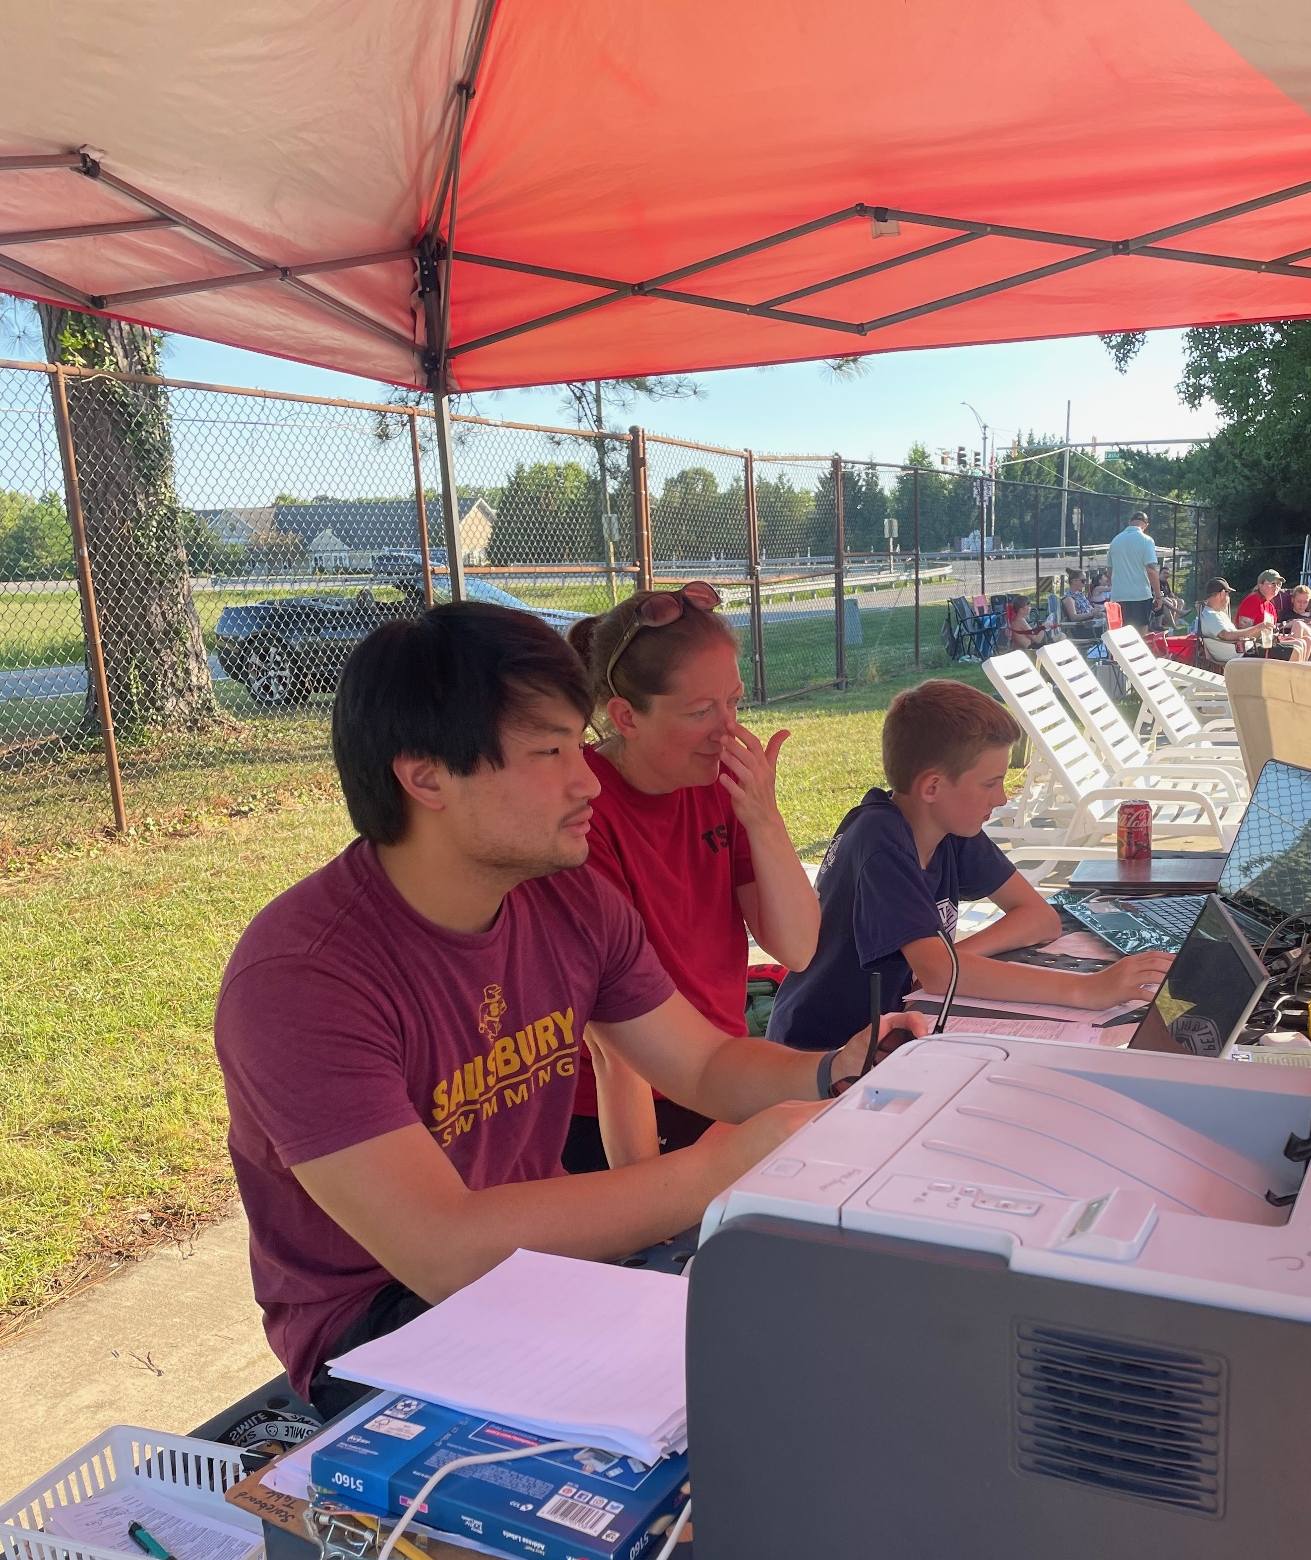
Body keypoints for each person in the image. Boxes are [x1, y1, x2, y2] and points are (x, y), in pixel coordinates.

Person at [213, 602, 918, 1418]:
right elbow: (441, 1249)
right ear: (426, 776)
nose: (587, 779)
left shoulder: (568, 899)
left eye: (576, 743)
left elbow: (703, 1064)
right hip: (385, 1329)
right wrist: (718, 1172)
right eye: (549, 752)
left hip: (540, 1266)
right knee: (760, 1403)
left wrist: (836, 1072)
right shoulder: (303, 978)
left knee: (830, 1346)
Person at [561, 583, 820, 1172]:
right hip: (615, 1109)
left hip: (718, 1074)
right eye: (701, 712)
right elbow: (616, 1038)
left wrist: (763, 815)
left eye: (734, 702)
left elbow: (798, 947)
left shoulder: (718, 785)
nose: (726, 730)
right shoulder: (584, 814)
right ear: (625, 716)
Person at [766, 680, 1172, 1051]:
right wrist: (1088, 990)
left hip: (898, 1026)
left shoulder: (949, 827)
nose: (1002, 799)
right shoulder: (879, 840)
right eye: (990, 783)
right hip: (821, 1047)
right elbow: (942, 975)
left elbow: (1040, 919)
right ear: (933, 788)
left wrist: (951, 955)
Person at [1104, 509, 1161, 630]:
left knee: (1120, 634)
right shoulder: (1146, 540)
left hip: (1118, 596)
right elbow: (1151, 570)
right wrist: (1158, 596)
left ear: (1129, 522)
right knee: (1140, 635)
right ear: (1145, 525)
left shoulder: (1115, 541)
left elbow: (1109, 571)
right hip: (1139, 595)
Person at [1196, 577, 1268, 666]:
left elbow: (1232, 634)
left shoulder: (1219, 613)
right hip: (1239, 655)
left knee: (1282, 649)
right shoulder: (1210, 615)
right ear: (1222, 594)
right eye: (1228, 594)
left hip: (1244, 651)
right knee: (1282, 653)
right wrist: (1257, 628)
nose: (1229, 598)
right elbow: (1226, 635)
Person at [1060, 569, 1096, 634]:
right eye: (1083, 581)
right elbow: (1073, 617)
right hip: (1083, 629)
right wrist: (1091, 614)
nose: (1085, 583)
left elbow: (1091, 609)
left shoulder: (1080, 595)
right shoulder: (1069, 598)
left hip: (1091, 625)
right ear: (1074, 581)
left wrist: (1097, 612)